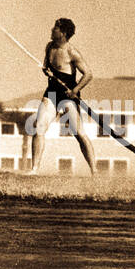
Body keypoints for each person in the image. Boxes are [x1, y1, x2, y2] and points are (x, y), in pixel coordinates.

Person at [28, 17, 96, 175]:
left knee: (79, 133)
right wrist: (46, 70)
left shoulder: (72, 52)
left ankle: (94, 171)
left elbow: (88, 74)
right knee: (39, 127)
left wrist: (75, 90)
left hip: (68, 96)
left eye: (55, 28)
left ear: (63, 33)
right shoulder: (49, 46)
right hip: (51, 93)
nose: (52, 29)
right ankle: (34, 169)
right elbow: (47, 66)